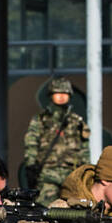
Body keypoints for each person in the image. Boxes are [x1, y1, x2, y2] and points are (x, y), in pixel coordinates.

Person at [22, 76, 91, 205]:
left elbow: (84, 149)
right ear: (51, 95)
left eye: (64, 93)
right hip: (47, 174)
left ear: (70, 95)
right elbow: (31, 144)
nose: (61, 96)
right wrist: (30, 166)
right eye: (57, 93)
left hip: (71, 175)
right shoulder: (40, 119)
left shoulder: (77, 121)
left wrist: (84, 172)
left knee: (74, 211)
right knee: (45, 209)